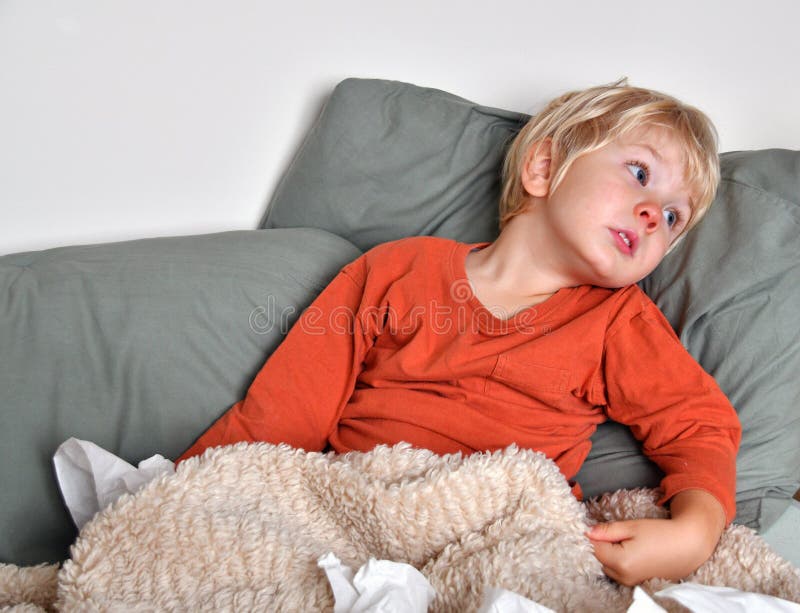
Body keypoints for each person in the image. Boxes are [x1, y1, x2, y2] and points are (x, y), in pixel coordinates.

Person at [178, 80, 741, 586]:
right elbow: (285, 410)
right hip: (362, 502)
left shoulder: (620, 322)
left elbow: (698, 423)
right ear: (544, 170)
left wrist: (695, 532)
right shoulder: (398, 269)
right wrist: (194, 497)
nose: (652, 214)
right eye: (640, 174)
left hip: (503, 527)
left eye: (673, 218)